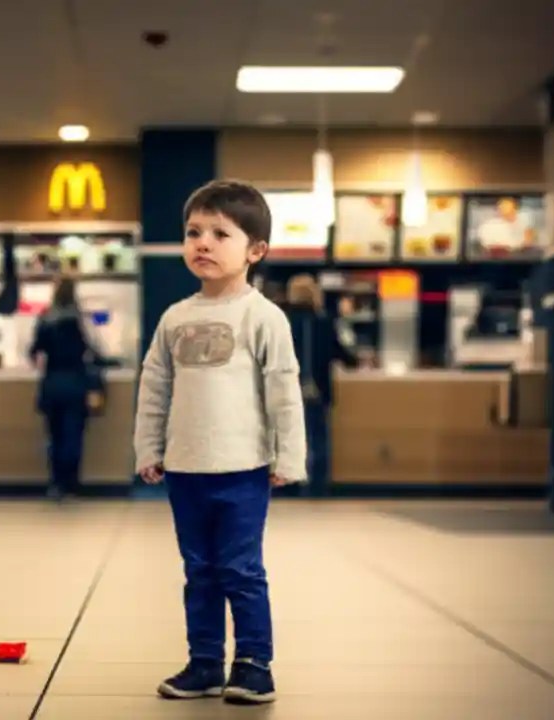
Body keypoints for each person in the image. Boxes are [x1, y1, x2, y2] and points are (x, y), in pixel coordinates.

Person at [134, 180, 306, 705]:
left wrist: (289, 456)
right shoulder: (175, 318)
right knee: (200, 571)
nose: (202, 243)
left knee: (241, 569)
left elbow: (284, 390)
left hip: (243, 468)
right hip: (185, 469)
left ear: (256, 250)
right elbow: (154, 388)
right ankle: (205, 662)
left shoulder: (263, 316)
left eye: (219, 234)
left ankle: (254, 664)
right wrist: (149, 448)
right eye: (193, 233)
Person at [284, 274, 360, 496]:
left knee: (290, 439)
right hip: (318, 389)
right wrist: (356, 361)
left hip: (288, 391)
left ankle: (291, 486)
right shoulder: (325, 322)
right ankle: (317, 486)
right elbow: (343, 355)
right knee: (318, 438)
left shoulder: (283, 323)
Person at [30, 276, 102, 499]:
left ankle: (56, 483)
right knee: (73, 436)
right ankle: (72, 484)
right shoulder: (81, 321)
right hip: (76, 384)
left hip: (52, 383)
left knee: (54, 436)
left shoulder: (45, 319)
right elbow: (95, 352)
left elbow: (34, 351)